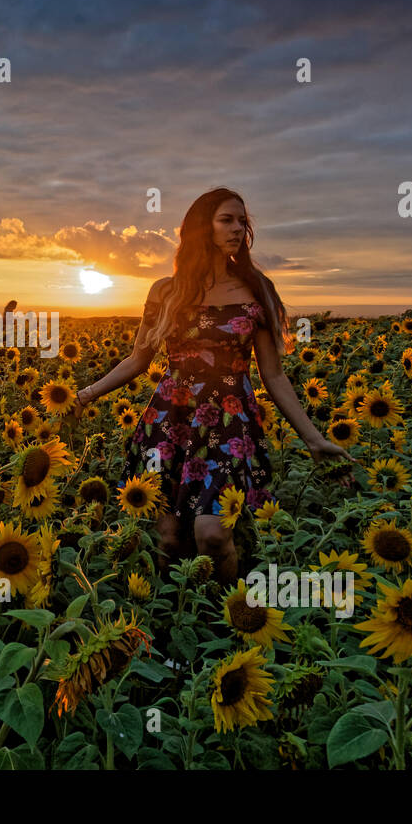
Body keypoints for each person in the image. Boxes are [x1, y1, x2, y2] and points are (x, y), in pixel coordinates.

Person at [73, 187, 356, 586]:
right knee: (167, 539)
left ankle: (230, 618)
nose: (239, 229)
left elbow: (273, 376)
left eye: (243, 221)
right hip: (169, 421)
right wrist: (84, 395)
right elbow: (138, 360)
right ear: (201, 228)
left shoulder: (257, 291)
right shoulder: (166, 291)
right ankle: (173, 621)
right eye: (228, 220)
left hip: (227, 425)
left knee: (213, 535)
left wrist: (313, 439)